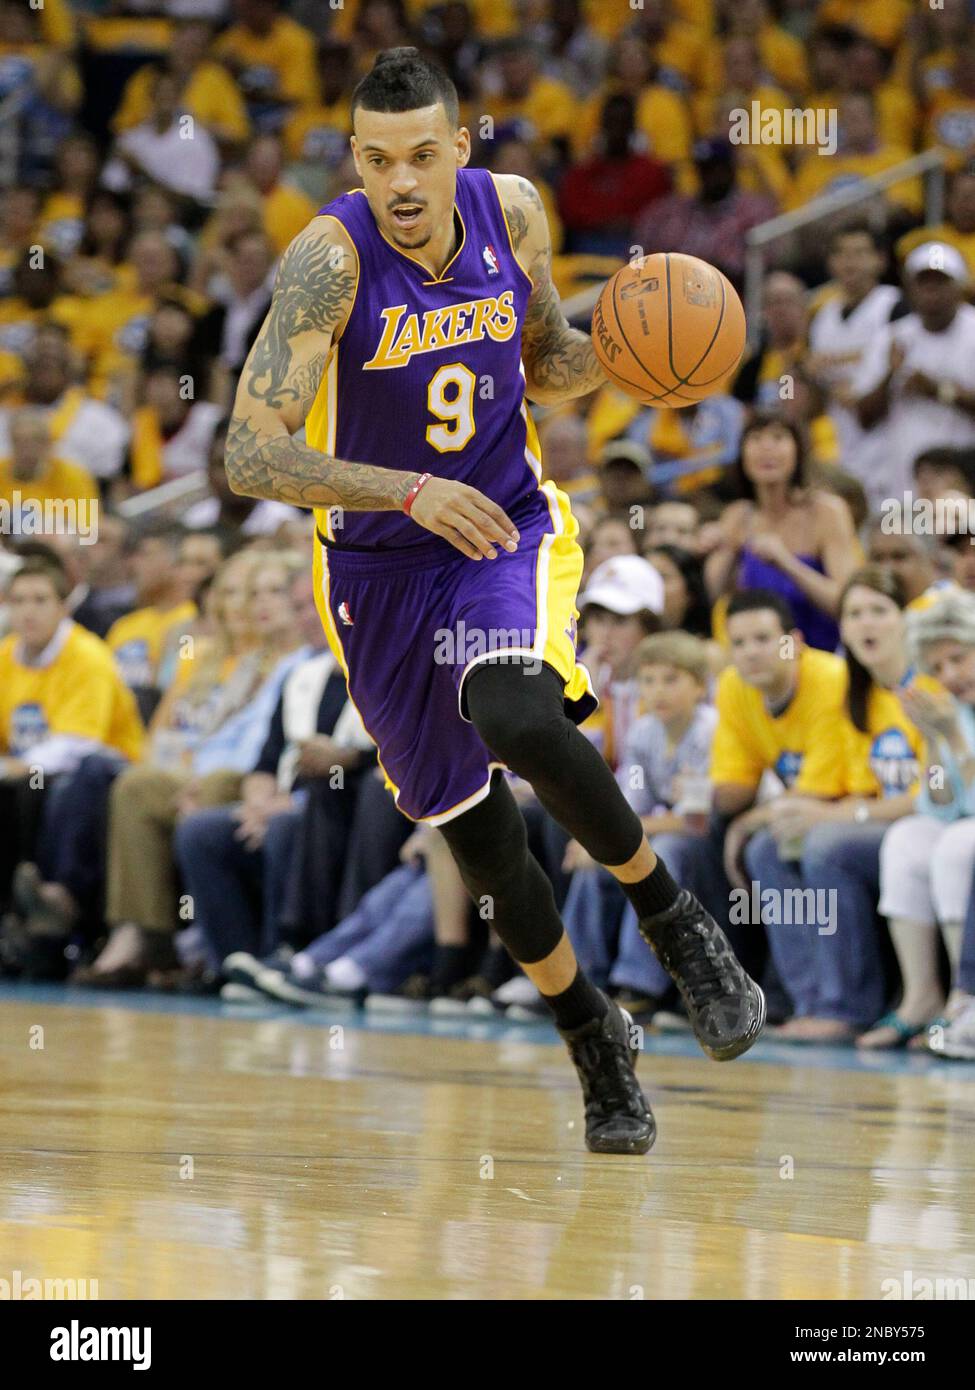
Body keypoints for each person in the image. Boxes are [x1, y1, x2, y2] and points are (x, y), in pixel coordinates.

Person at [226, 47, 766, 1157]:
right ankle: (591, 1036)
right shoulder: (327, 262)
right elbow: (247, 452)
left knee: (518, 714)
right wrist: (407, 491)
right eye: (380, 161)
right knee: (478, 840)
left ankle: (678, 923)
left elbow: (548, 357)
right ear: (356, 163)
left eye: (425, 154)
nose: (405, 181)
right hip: (376, 566)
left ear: (460, 147)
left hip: (502, 526)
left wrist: (624, 348)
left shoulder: (512, 212)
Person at [744, 568, 928, 1044]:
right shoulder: (853, 693)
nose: (866, 624)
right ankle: (811, 1001)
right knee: (768, 846)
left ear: (905, 620)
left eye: (878, 612)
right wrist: (755, 822)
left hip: (922, 825)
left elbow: (926, 798)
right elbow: (834, 788)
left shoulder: (928, 685)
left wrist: (835, 816)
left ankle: (848, 1006)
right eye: (853, 614)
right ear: (842, 629)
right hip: (874, 821)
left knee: (827, 845)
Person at [874, 591, 975, 1050]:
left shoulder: (959, 719)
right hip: (961, 822)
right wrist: (935, 739)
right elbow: (938, 802)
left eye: (959, 659)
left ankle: (965, 997)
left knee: (956, 845)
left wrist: (953, 735)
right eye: (938, 669)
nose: (950, 676)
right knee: (908, 838)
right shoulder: (952, 711)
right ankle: (922, 997)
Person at [705, 413, 860, 653]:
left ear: (798, 451)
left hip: (824, 657)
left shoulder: (827, 511)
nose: (766, 448)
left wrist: (785, 562)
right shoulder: (737, 515)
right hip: (763, 659)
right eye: (755, 439)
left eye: (778, 438)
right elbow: (716, 594)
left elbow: (847, 604)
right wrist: (724, 551)